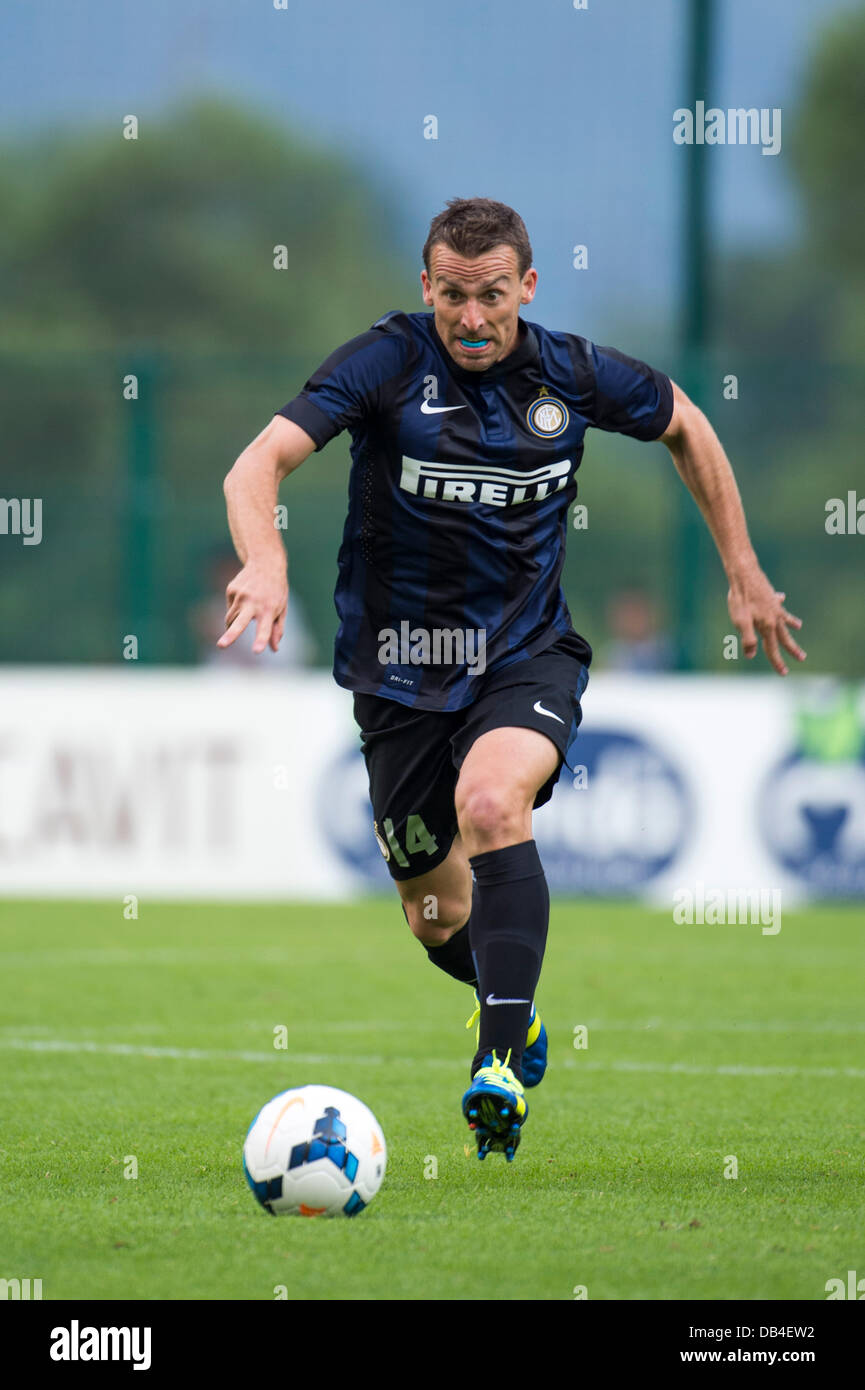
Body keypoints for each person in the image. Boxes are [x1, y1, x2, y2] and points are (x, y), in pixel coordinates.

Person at [220, 197, 805, 1161]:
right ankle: (518, 1015)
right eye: (452, 295)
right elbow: (258, 464)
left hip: (520, 655)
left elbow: (686, 427)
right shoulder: (384, 362)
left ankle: (495, 1061)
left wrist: (741, 567)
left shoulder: (572, 373)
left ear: (526, 288)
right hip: (398, 672)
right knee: (434, 913)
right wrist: (265, 558)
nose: (472, 317)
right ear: (427, 288)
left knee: (492, 801)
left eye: (492, 295)